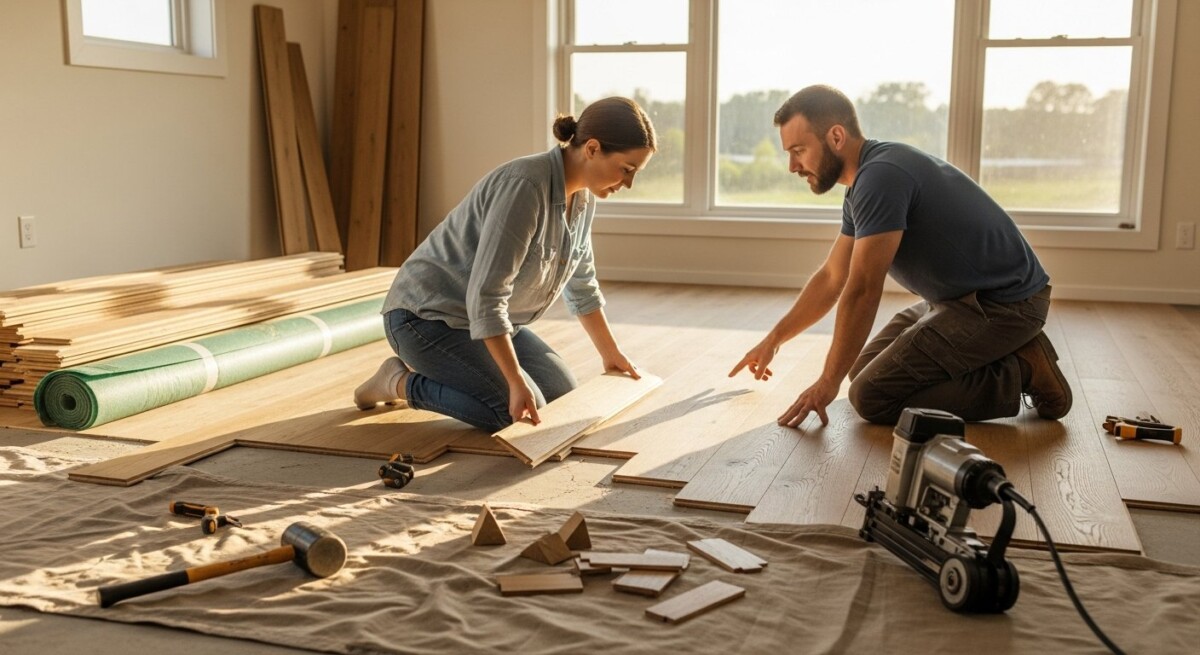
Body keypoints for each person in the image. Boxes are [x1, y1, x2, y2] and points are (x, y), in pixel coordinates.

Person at [730, 85, 1072, 427]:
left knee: (872, 397)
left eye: (799, 150)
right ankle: (1001, 354)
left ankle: (1024, 369)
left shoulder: (881, 178)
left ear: (836, 136)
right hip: (957, 301)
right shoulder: (863, 183)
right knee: (861, 372)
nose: (792, 166)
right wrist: (774, 340)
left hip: (1005, 305)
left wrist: (825, 384)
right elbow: (834, 276)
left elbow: (863, 288)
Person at [353, 97, 656, 432]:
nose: (628, 184)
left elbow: (582, 284)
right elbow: (486, 296)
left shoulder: (583, 197)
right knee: (515, 412)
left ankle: (475, 378)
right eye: (627, 170)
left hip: (489, 323)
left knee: (561, 398)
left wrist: (610, 354)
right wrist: (514, 381)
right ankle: (398, 382)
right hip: (426, 319)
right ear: (593, 148)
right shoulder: (525, 186)